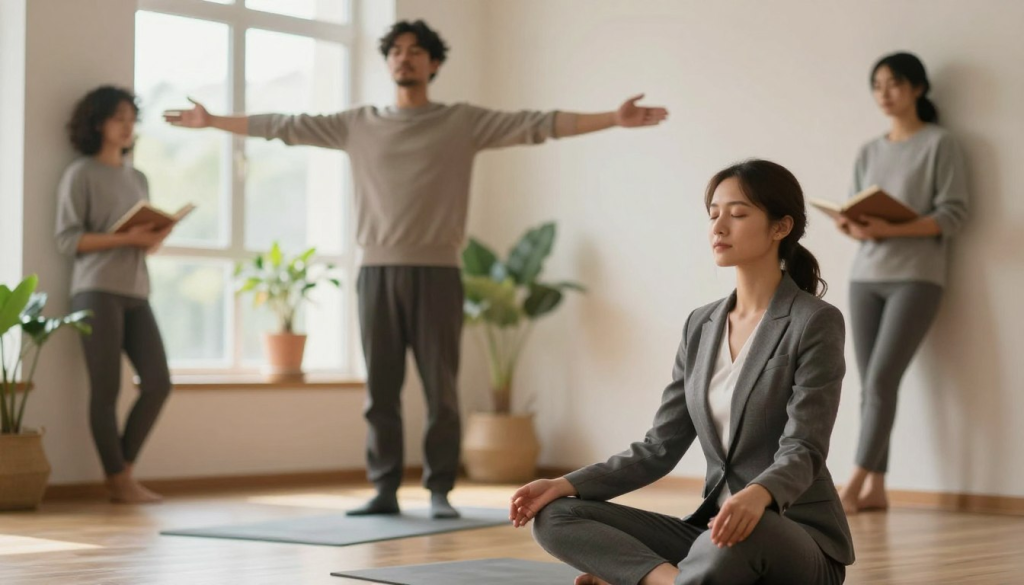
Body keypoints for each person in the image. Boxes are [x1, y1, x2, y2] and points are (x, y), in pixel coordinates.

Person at [164, 20, 668, 519]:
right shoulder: (357, 123)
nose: (403, 58)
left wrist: (613, 118)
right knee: (380, 391)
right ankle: (383, 488)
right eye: (395, 51)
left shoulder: (462, 122)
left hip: (438, 274)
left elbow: (536, 124)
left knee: (440, 391)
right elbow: (284, 126)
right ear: (388, 63)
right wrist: (214, 121)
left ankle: (439, 491)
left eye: (414, 51)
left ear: (434, 63)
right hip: (377, 274)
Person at [509, 160, 854, 584]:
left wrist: (758, 494)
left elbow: (804, 447)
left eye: (738, 214)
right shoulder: (700, 325)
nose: (719, 227)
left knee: (744, 533)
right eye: (713, 214)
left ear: (780, 227)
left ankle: (644, 577)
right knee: (556, 516)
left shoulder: (813, 321)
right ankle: (670, 581)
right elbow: (659, 447)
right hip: (711, 534)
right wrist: (565, 484)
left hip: (790, 534)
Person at [835, 52, 969, 515]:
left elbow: (953, 214)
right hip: (865, 277)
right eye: (877, 85)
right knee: (871, 386)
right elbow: (856, 209)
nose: (884, 93)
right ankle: (876, 488)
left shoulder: (939, 144)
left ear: (917, 88)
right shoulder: (868, 151)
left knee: (881, 381)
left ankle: (852, 485)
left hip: (916, 277)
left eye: (893, 83)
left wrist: (892, 229)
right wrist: (852, 225)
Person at [56, 86, 175, 504]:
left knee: (158, 383)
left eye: (131, 118)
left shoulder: (137, 177)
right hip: (96, 290)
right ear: (97, 124)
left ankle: (121, 471)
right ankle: (119, 480)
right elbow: (68, 240)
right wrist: (125, 238)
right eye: (118, 118)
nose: (127, 126)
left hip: (137, 290)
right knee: (105, 390)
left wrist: (152, 238)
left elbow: (142, 243)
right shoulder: (81, 174)